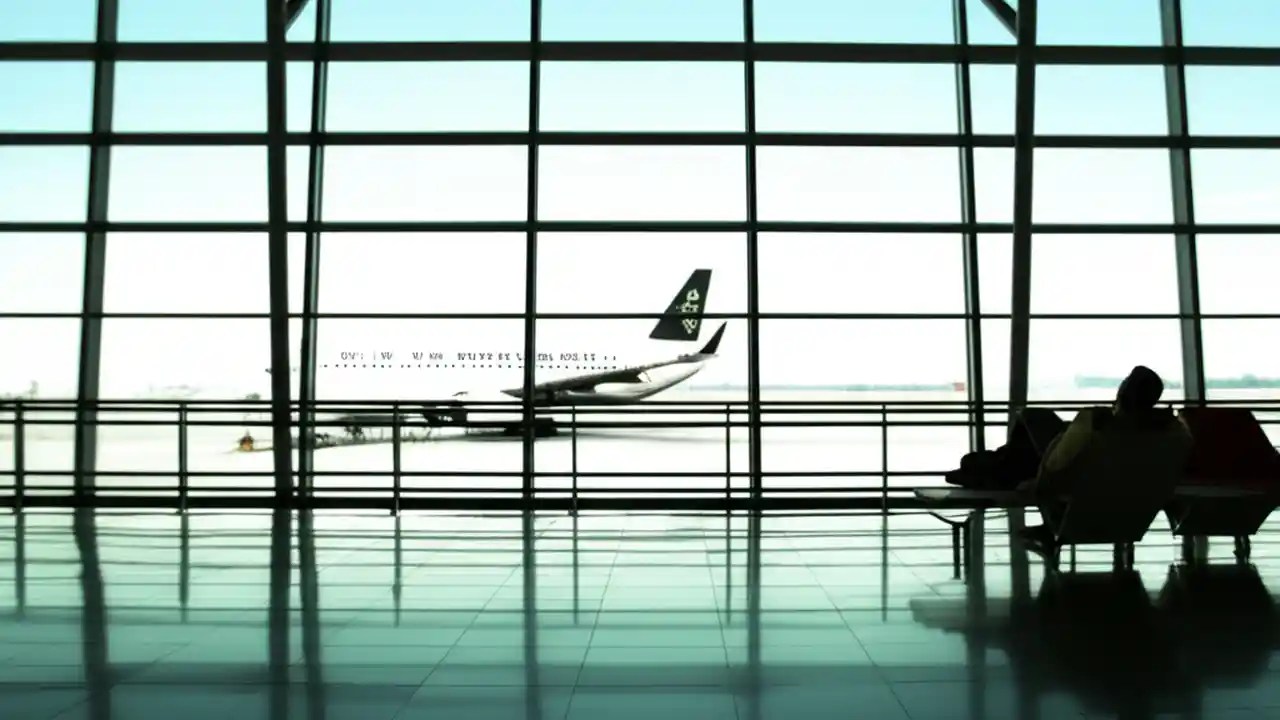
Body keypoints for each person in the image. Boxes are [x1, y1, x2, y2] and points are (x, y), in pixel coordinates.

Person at [1016, 365, 1193, 550]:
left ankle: (1008, 464)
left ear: (1123, 391)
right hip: (1127, 495)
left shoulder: (1096, 423)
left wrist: (1040, 481)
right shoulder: (1173, 433)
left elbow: (1053, 471)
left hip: (1080, 487)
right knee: (1038, 426)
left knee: (1032, 417)